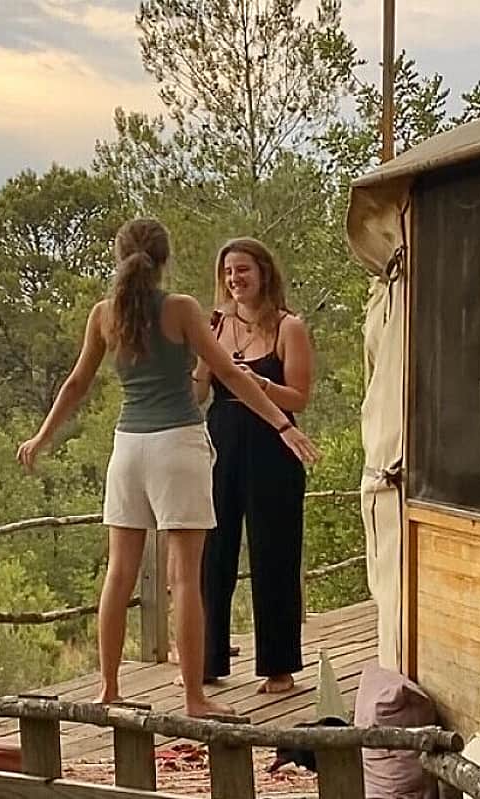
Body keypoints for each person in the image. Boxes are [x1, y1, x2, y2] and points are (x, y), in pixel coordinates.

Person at [16, 219, 318, 717]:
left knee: (119, 573)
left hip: (127, 448)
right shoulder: (181, 309)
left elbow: (75, 384)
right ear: (164, 259)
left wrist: (42, 436)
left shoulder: (103, 314)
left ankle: (108, 687)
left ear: (120, 259)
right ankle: (194, 698)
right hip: (176, 446)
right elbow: (227, 373)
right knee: (184, 578)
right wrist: (283, 426)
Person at [192, 237, 314, 694]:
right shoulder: (214, 324)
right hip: (220, 443)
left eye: (243, 270)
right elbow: (200, 394)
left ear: (263, 273)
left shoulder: (289, 327)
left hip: (274, 447)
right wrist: (200, 366)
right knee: (212, 550)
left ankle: (279, 667)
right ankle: (208, 660)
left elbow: (299, 395)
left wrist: (258, 382)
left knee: (274, 552)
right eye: (227, 272)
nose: (234, 279)